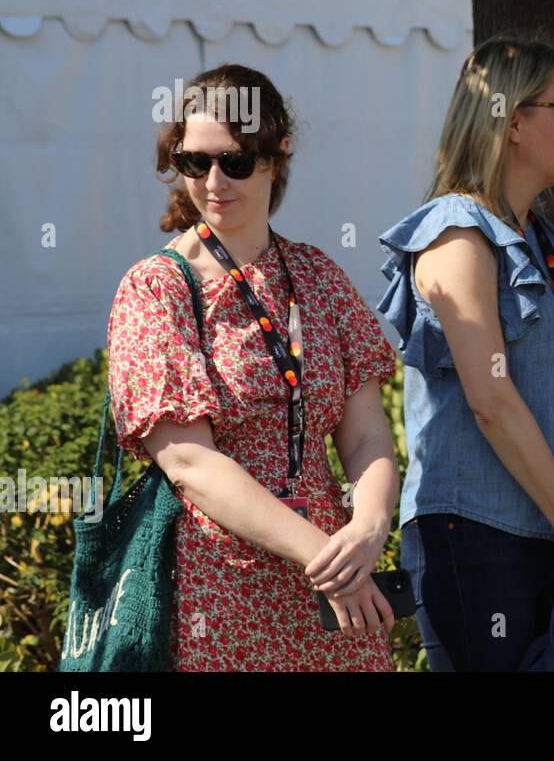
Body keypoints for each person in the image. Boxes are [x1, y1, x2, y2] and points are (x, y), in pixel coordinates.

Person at [107, 63, 400, 670]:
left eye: (235, 161)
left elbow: (368, 432)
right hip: (222, 589)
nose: (214, 181)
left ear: (276, 156)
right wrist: (326, 555)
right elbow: (190, 462)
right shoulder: (156, 288)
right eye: (195, 162)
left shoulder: (318, 275)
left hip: (339, 584)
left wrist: (369, 526)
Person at [378, 34, 554, 672]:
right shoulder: (457, 234)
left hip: (539, 535)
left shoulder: (538, 238)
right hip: (476, 537)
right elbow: (491, 402)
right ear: (510, 121)